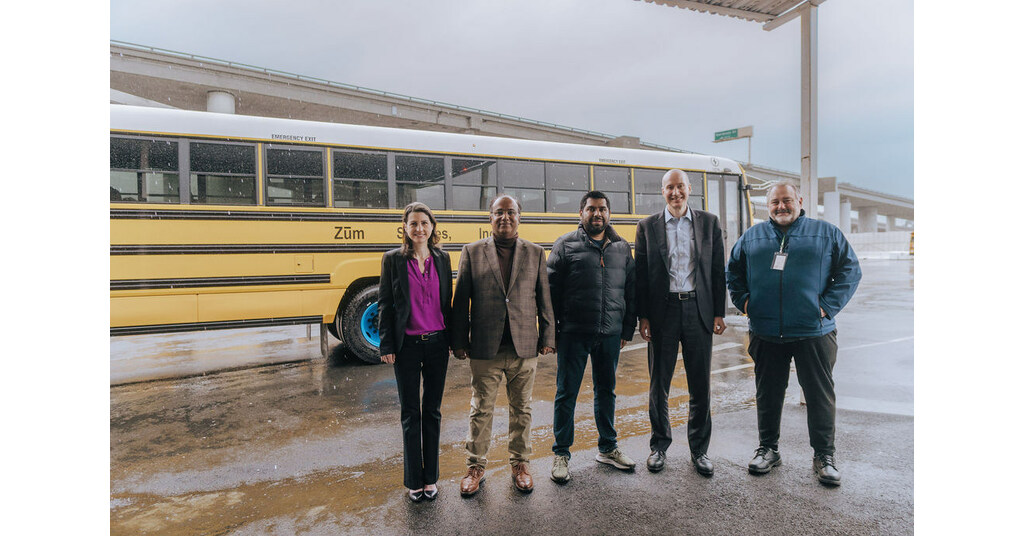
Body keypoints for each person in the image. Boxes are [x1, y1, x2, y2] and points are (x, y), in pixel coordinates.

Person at [726, 180, 861, 486]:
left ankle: (824, 456)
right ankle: (768, 449)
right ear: (767, 206)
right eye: (775, 203)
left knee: (819, 396)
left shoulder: (825, 233)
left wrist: (826, 306)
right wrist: (746, 303)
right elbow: (732, 272)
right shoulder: (752, 236)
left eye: (786, 201)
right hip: (766, 330)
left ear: (800, 201)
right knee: (768, 394)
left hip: (814, 331)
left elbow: (851, 270)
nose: (781, 207)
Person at [451, 194, 556, 496]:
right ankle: (475, 467)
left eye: (511, 213)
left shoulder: (535, 253)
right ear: (490, 218)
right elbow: (461, 303)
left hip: (524, 346)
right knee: (480, 409)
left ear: (519, 217)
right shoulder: (472, 252)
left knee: (521, 409)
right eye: (499, 213)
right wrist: (459, 341)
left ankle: (520, 464)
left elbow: (543, 298)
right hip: (485, 347)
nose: (505, 218)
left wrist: (548, 336)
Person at [635, 169, 727, 477]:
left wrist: (718, 312)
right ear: (662, 192)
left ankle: (699, 450)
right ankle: (659, 446)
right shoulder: (647, 227)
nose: (675, 193)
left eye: (680, 187)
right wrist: (643, 316)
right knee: (658, 384)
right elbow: (642, 276)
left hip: (698, 312)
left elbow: (717, 270)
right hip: (663, 314)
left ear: (690, 189)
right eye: (669, 188)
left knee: (700, 385)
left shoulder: (709, 223)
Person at [547, 191, 637, 483]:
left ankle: (608, 448)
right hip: (573, 333)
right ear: (581, 213)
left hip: (609, 334)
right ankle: (561, 453)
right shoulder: (565, 245)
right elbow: (550, 292)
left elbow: (630, 291)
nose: (597, 214)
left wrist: (626, 329)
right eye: (591, 209)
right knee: (566, 394)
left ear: (609, 214)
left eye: (602, 209)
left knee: (606, 391)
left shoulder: (622, 248)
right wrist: (554, 331)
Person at [378, 202, 454, 503]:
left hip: (437, 343)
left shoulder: (443, 258)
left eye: (424, 223)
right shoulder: (393, 260)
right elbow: (385, 302)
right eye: (414, 224)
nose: (419, 229)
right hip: (407, 345)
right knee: (411, 413)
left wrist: (453, 338)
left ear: (432, 226)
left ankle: (430, 478)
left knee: (432, 412)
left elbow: (448, 303)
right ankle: (414, 480)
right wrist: (386, 344)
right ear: (405, 229)